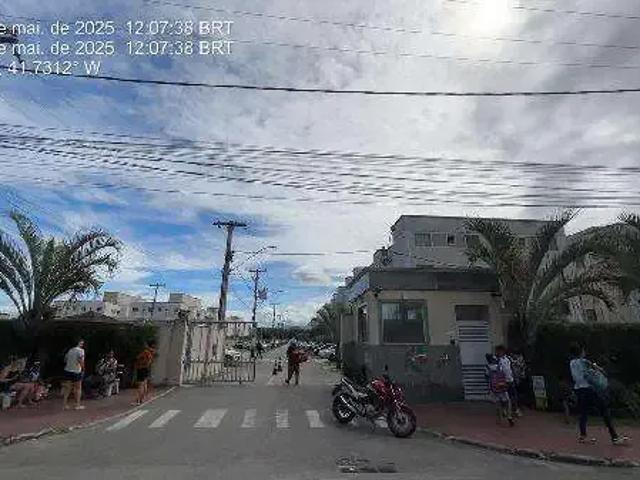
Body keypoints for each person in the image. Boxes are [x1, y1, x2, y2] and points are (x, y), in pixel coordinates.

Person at [569, 343, 629, 445]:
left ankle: (583, 436)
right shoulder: (583, 361)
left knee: (583, 413)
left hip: (579, 390)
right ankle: (615, 437)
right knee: (604, 410)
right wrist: (599, 369)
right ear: (581, 352)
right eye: (583, 350)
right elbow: (596, 367)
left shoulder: (571, 363)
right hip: (588, 389)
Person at [485, 353, 513, 426]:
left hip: (494, 388)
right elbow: (505, 373)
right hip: (502, 386)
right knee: (508, 401)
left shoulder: (487, 367)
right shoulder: (499, 365)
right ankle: (509, 415)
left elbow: (487, 377)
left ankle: (499, 418)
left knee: (497, 403)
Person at [496, 345, 521, 417]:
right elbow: (497, 371)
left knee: (513, 395)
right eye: (498, 351)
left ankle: (515, 410)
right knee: (503, 396)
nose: (499, 353)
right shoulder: (498, 360)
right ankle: (504, 410)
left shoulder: (508, 358)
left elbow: (512, 367)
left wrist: (514, 376)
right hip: (503, 381)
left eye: (500, 351)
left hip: (510, 379)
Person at [62, 339, 86, 410]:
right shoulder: (81, 351)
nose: (82, 344)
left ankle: (64, 405)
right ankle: (77, 405)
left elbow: (65, 360)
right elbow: (81, 360)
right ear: (79, 343)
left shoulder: (70, 350)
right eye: (81, 343)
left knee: (67, 388)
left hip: (68, 370)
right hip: (76, 371)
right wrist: (83, 369)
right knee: (78, 388)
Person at [134, 341, 156, 405]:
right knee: (144, 383)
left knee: (140, 385)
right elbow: (150, 360)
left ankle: (139, 400)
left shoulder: (145, 352)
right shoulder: (151, 352)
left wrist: (139, 362)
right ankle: (142, 399)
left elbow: (138, 358)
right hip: (146, 369)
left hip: (141, 368)